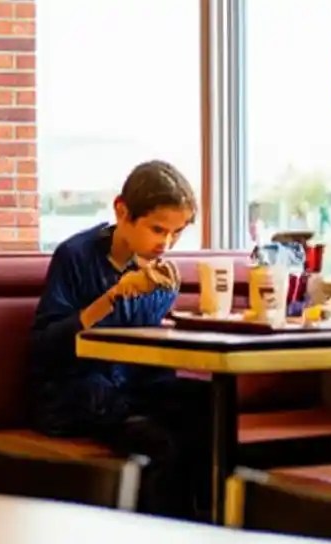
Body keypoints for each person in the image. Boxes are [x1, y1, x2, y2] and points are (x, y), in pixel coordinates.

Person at [27, 160, 211, 520]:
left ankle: (212, 525)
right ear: (122, 211)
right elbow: (46, 346)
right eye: (158, 229)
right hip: (76, 392)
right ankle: (160, 535)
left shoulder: (160, 274)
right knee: (161, 441)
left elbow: (146, 344)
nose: (166, 243)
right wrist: (112, 297)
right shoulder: (76, 256)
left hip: (132, 387)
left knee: (210, 408)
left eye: (177, 233)